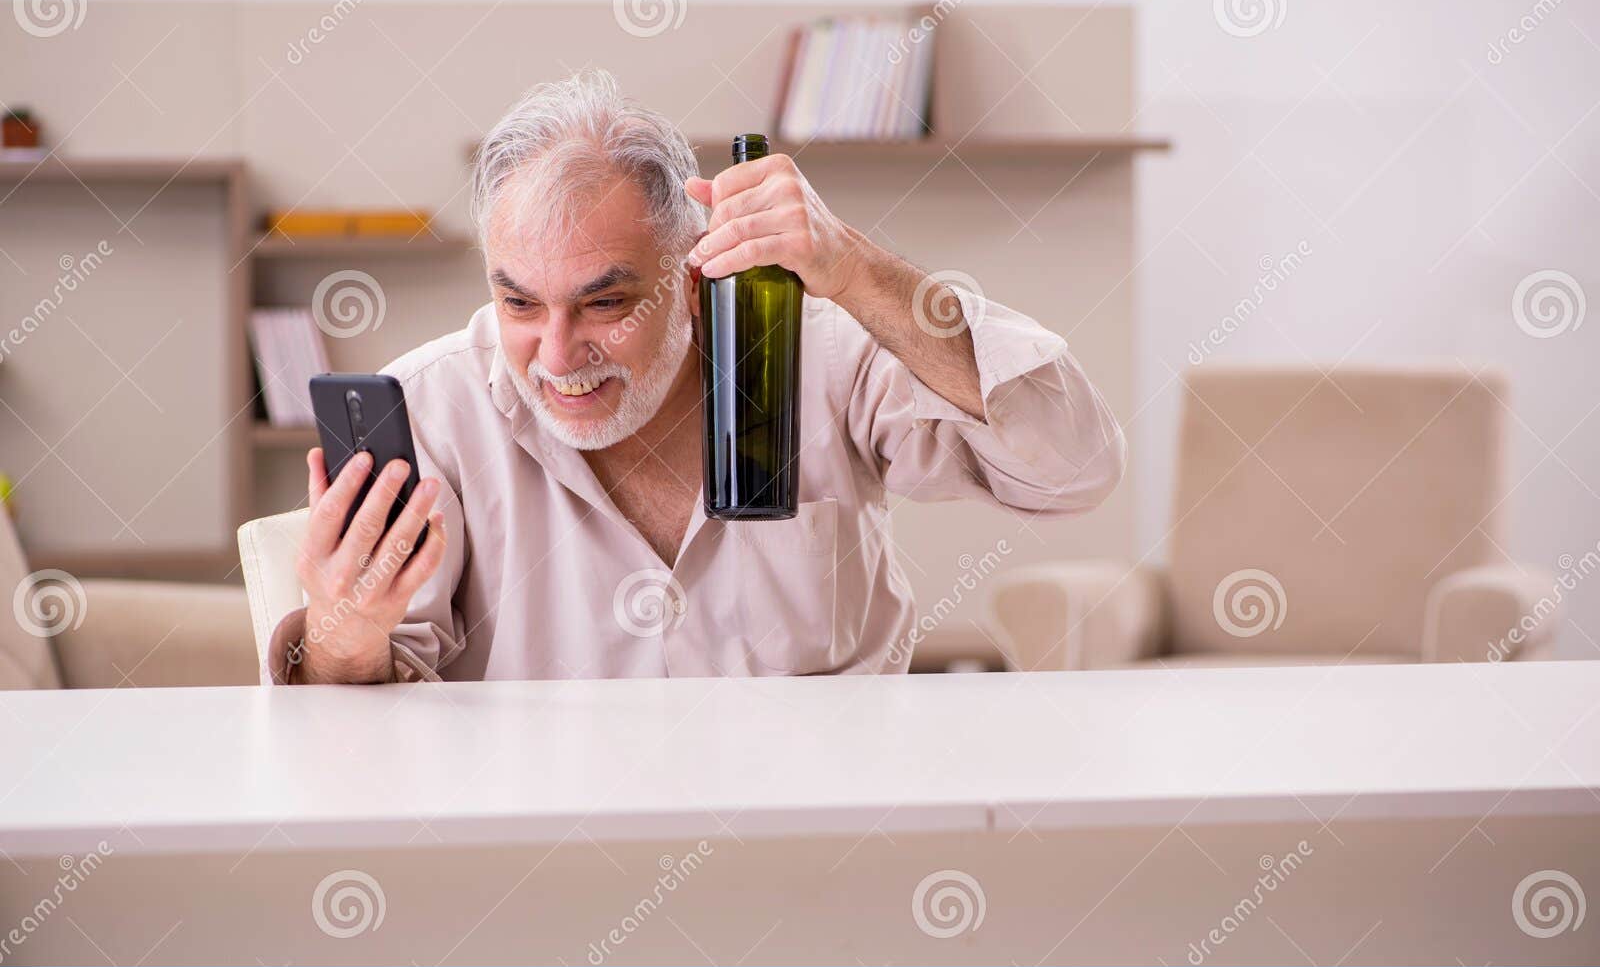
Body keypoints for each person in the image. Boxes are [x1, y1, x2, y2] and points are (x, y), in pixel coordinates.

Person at [265, 69, 1125, 684]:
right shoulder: (433, 410)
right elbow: (358, 742)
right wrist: (345, 634)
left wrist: (856, 270)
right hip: (551, 858)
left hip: (821, 839)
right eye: (520, 303)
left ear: (695, 273)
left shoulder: (825, 355)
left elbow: (1073, 468)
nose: (558, 358)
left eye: (606, 305)